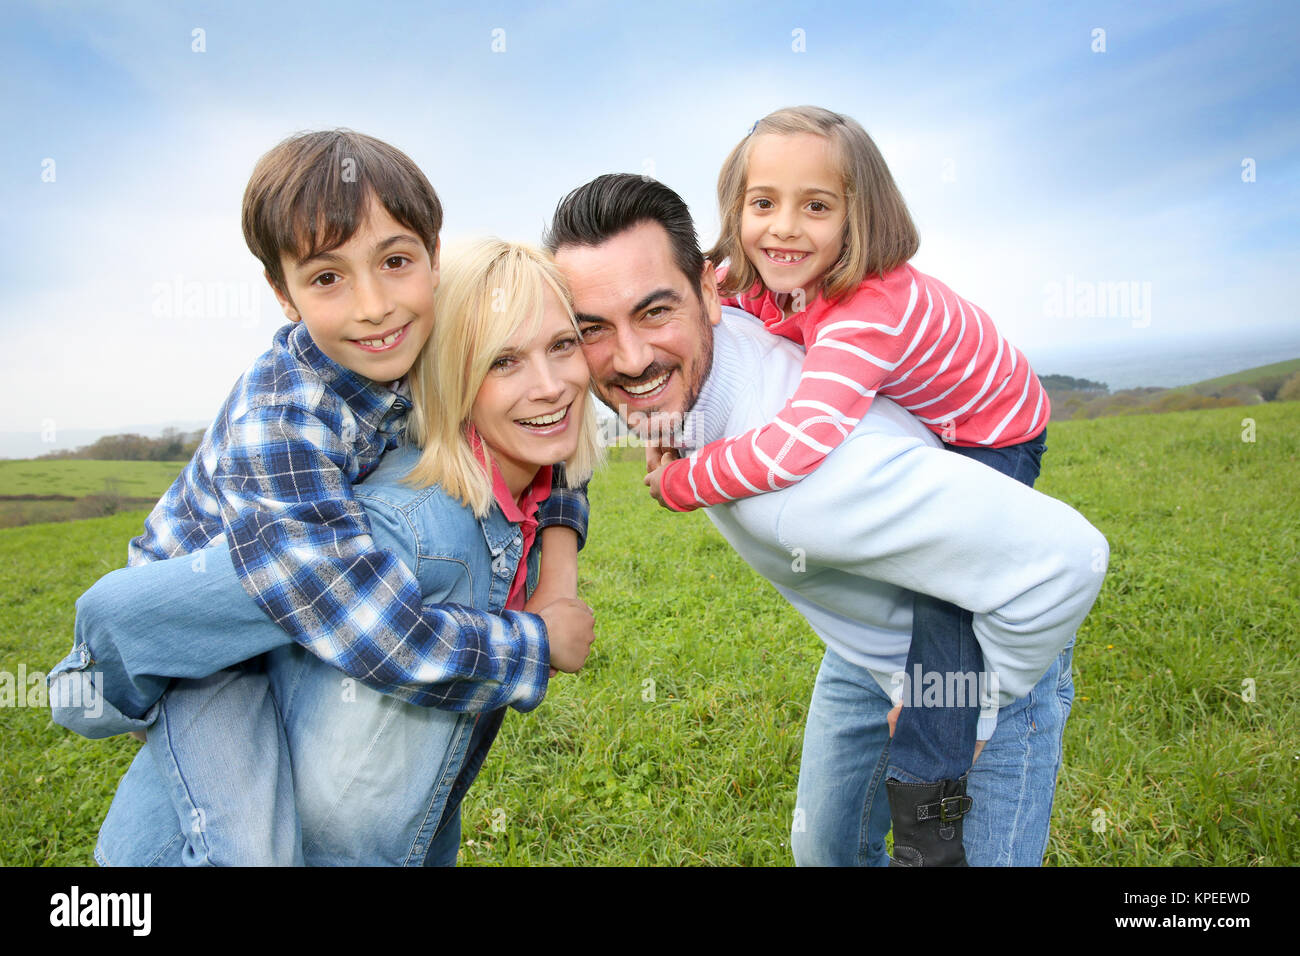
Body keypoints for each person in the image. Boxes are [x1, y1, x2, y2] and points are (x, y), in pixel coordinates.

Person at [48, 130, 592, 865]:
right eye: (328, 278)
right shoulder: (284, 419)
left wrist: (557, 557)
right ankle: (86, 682)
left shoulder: (403, 353)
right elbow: (375, 629)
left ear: (433, 257)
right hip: (205, 647)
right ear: (284, 294)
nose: (373, 305)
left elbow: (546, 431)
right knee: (247, 849)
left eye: (394, 262)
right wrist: (534, 647)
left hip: (282, 611)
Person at [544, 172, 1107, 866]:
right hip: (867, 647)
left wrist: (976, 701)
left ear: (708, 293)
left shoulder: (807, 490)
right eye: (592, 328)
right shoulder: (741, 321)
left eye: (655, 312)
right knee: (825, 850)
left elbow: (1065, 559)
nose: (629, 359)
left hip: (985, 643)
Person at [637, 106, 1051, 865]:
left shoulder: (866, 309)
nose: (784, 227)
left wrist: (685, 478)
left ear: (861, 219)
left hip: (996, 432)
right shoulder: (762, 274)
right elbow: (701, 297)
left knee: (947, 602)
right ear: (737, 210)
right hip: (935, 428)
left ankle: (934, 805)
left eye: (816, 206)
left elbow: (799, 443)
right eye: (763, 203)